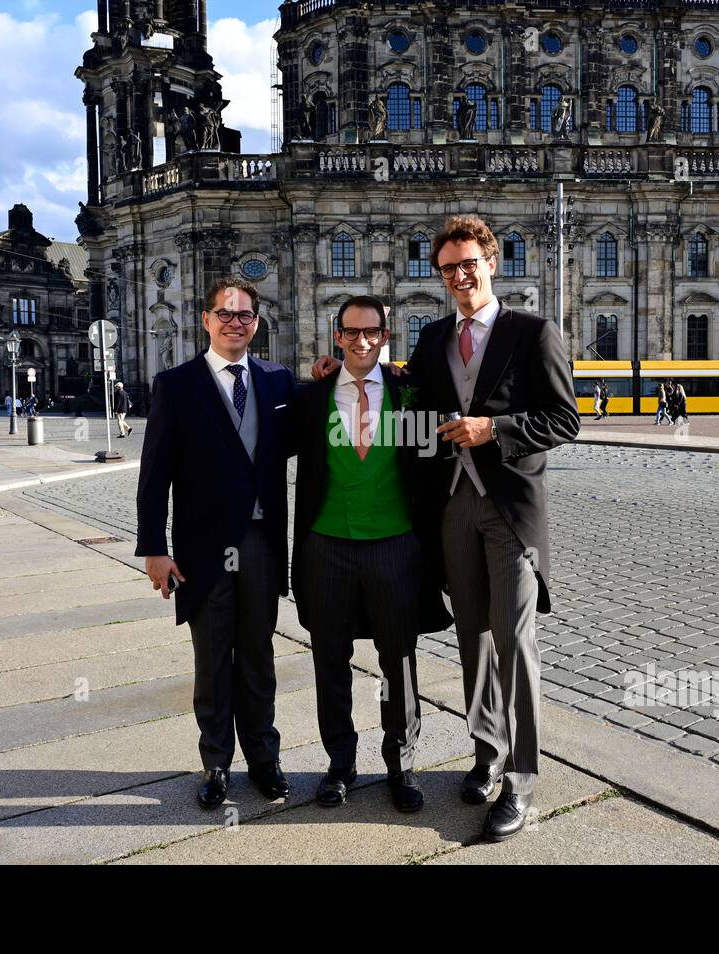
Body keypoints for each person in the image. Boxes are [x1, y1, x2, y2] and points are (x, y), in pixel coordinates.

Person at [313, 215, 580, 840]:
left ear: (491, 261)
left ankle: (523, 779)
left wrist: (495, 430)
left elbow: (564, 419)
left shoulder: (533, 332)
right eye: (448, 269)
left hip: (510, 508)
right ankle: (486, 754)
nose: (460, 276)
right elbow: (404, 384)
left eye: (469, 264)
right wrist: (343, 368)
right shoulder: (434, 339)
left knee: (515, 642)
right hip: (451, 508)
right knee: (472, 642)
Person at [136, 275, 294, 809]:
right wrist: (154, 549)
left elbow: (314, 422)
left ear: (257, 323)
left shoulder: (276, 381)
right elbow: (154, 475)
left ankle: (265, 761)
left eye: (245, 315)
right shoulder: (176, 385)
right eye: (224, 313)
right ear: (205, 320)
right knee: (212, 660)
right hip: (202, 550)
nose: (235, 322)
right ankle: (217, 765)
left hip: (260, 543)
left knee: (258, 657)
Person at [291, 295, 452, 812]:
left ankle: (400, 764)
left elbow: (440, 452)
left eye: (372, 332)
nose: (362, 341)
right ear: (336, 337)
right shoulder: (313, 398)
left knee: (397, 661)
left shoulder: (412, 393)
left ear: (385, 337)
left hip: (395, 546)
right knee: (330, 659)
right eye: (351, 332)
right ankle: (340, 764)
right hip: (326, 546)